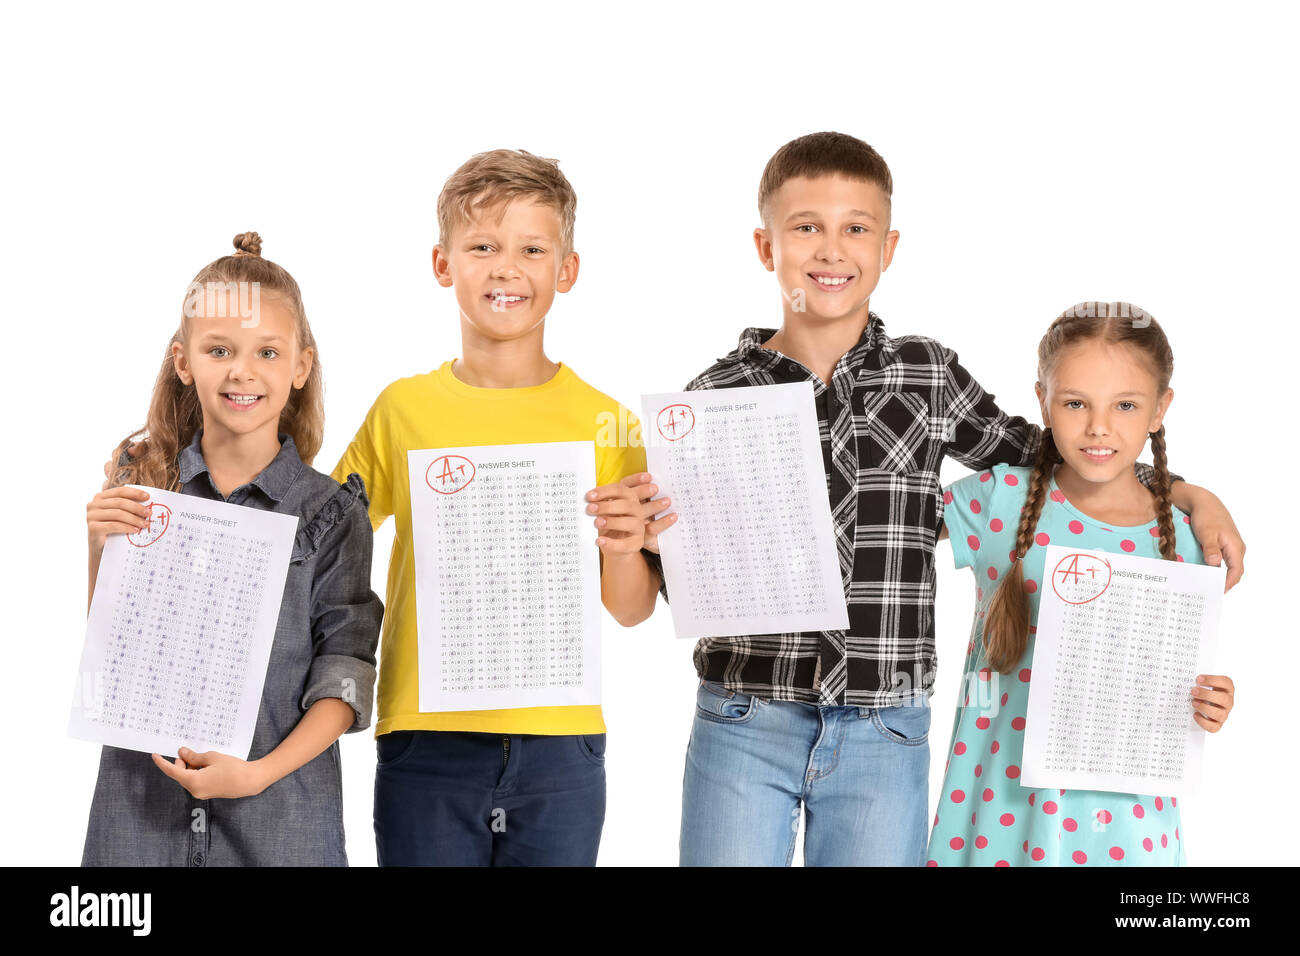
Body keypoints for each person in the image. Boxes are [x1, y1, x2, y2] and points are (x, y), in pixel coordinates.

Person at [641, 131, 1246, 866]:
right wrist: (646, 532)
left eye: (855, 229)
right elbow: (685, 577)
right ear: (767, 248)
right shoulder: (713, 397)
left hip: (884, 725)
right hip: (745, 710)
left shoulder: (927, 373)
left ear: (888, 247)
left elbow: (1053, 452)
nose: (831, 251)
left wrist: (1182, 489)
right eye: (807, 228)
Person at [328, 150, 662, 865]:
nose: (505, 268)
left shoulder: (608, 423)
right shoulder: (402, 409)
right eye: (482, 246)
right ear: (442, 264)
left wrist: (624, 545)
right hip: (426, 734)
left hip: (560, 743)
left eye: (531, 250)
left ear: (566, 271)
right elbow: (327, 541)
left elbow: (632, 610)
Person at [82, 232, 382, 866]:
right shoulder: (145, 485)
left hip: (279, 817)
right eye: (219, 350)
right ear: (184, 361)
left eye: (267, 352)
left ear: (300, 365)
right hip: (142, 814)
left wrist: (257, 773)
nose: (242, 371)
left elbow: (346, 672)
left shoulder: (333, 514)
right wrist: (99, 547)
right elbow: (115, 652)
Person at [926, 302, 1234, 866]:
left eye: (1125, 405)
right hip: (1002, 816)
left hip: (1130, 830)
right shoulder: (1000, 500)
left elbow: (1181, 683)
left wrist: (1210, 703)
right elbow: (881, 527)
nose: (1098, 427)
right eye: (1074, 403)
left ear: (1160, 409)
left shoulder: (1189, 542)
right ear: (1042, 400)